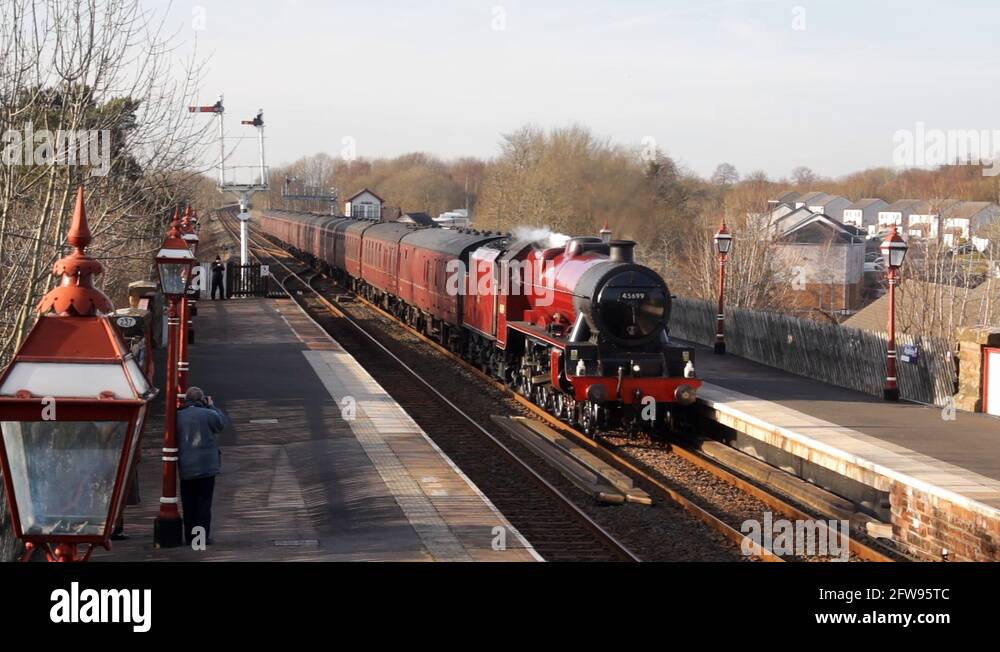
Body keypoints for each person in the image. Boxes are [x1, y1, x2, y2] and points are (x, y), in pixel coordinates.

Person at [176, 386, 228, 545]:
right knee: (204, 503)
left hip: (186, 466)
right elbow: (221, 424)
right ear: (202, 399)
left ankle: (190, 537)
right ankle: (201, 538)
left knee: (188, 503)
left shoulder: (178, 416)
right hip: (206, 467)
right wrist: (211, 405)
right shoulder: (209, 414)